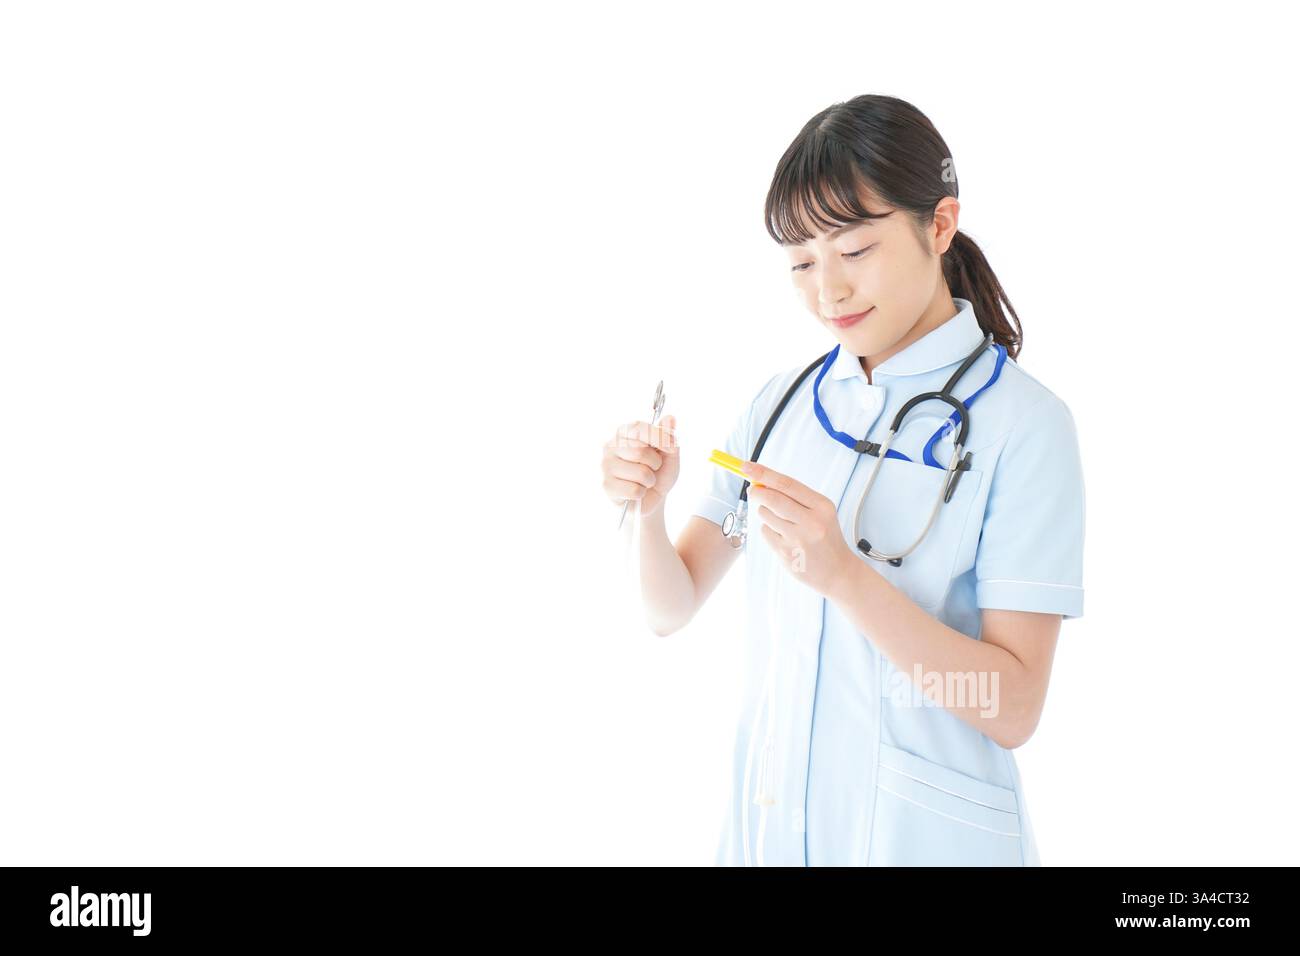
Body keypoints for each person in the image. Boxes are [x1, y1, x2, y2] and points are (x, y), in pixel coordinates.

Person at [599, 93, 1084, 866]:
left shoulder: (1024, 427)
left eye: (855, 251)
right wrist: (648, 513)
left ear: (939, 224)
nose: (827, 290)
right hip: (768, 835)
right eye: (801, 263)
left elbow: (1014, 706)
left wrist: (846, 579)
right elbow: (671, 606)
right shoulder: (779, 407)